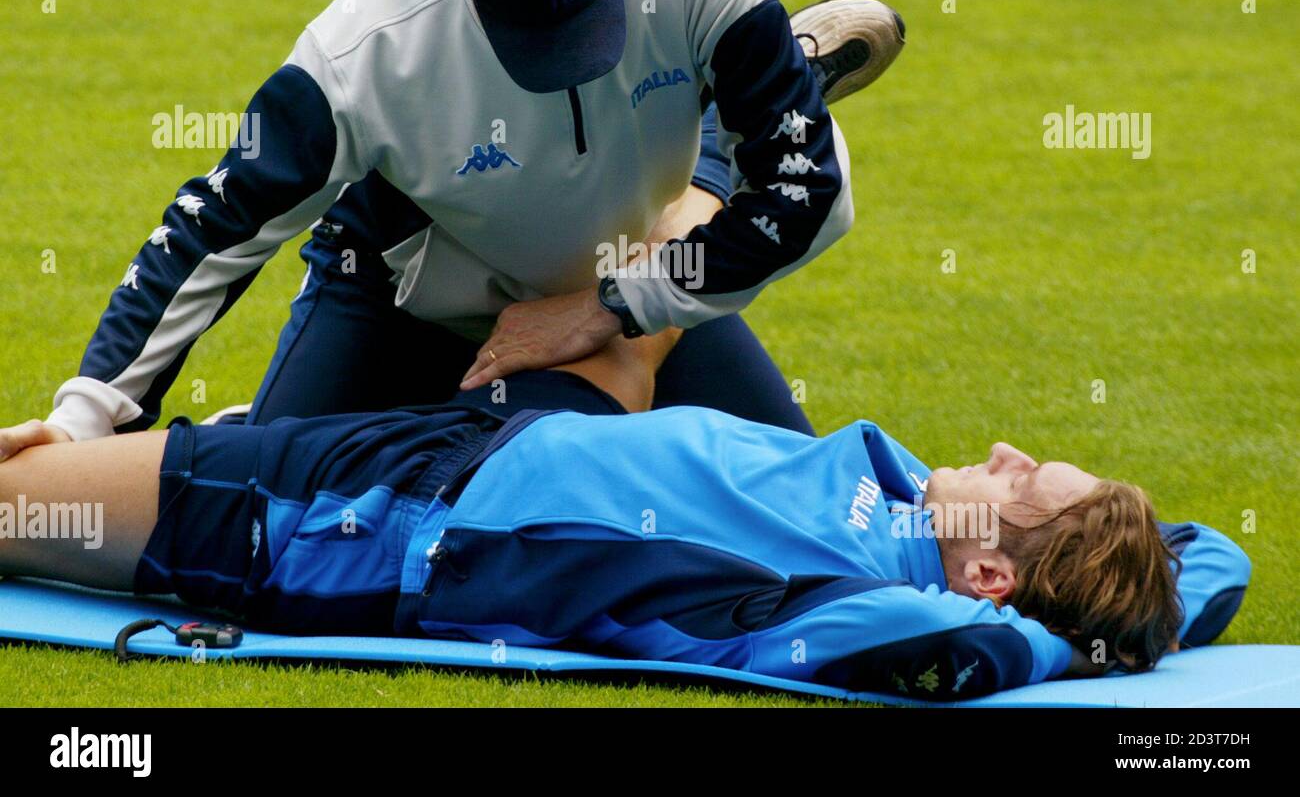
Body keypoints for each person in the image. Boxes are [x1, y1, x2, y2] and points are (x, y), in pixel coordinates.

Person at [0, 0, 909, 463]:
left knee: (792, 507)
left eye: (588, 28)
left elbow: (809, 198)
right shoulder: (365, 52)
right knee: (281, 509)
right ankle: (752, 103)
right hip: (401, 289)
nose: (566, 69)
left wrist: (611, 304)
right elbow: (214, 227)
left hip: (624, 269)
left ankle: (736, 120)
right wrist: (84, 421)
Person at [0, 324, 1250, 700]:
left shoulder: (851, 604)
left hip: (383, 510)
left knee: (15, 498)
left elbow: (960, 651)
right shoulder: (916, 507)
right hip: (522, 430)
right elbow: (1205, 558)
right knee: (631, 261)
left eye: (1025, 482)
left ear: (987, 578)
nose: (1004, 449)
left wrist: (1041, 639)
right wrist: (1122, 610)